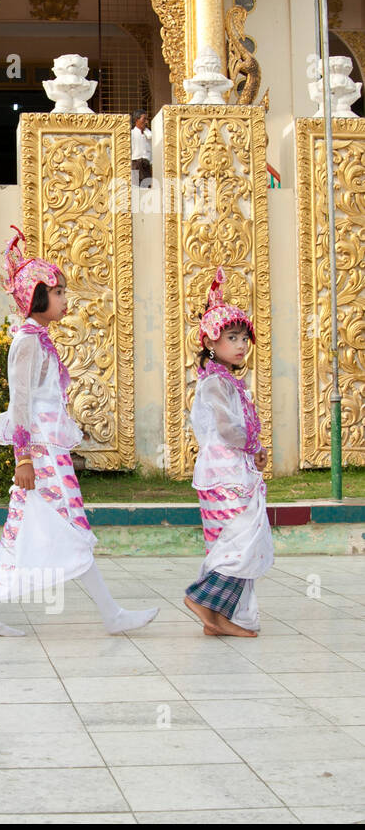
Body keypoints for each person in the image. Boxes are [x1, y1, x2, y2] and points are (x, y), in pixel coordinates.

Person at [0, 226, 158, 637]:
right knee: (65, 526)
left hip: (47, 449)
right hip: (39, 453)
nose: (65, 299)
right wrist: (22, 457)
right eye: (58, 292)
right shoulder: (27, 343)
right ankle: (110, 614)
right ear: (37, 297)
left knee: (40, 528)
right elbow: (19, 402)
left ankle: (106, 613)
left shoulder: (38, 340)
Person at [183, 268, 273, 637]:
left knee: (237, 541)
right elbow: (227, 430)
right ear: (211, 342)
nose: (240, 345)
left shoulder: (226, 381)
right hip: (225, 474)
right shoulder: (217, 384)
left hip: (232, 471)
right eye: (231, 337)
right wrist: (253, 445)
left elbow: (237, 429)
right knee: (241, 541)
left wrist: (256, 449)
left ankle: (223, 618)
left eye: (243, 338)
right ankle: (203, 599)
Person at [131, 110, 152, 189]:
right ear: (137, 120)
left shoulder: (149, 134)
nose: (146, 122)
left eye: (147, 119)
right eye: (144, 119)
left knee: (147, 190)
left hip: (146, 166)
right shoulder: (131, 134)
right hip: (135, 165)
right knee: (135, 190)